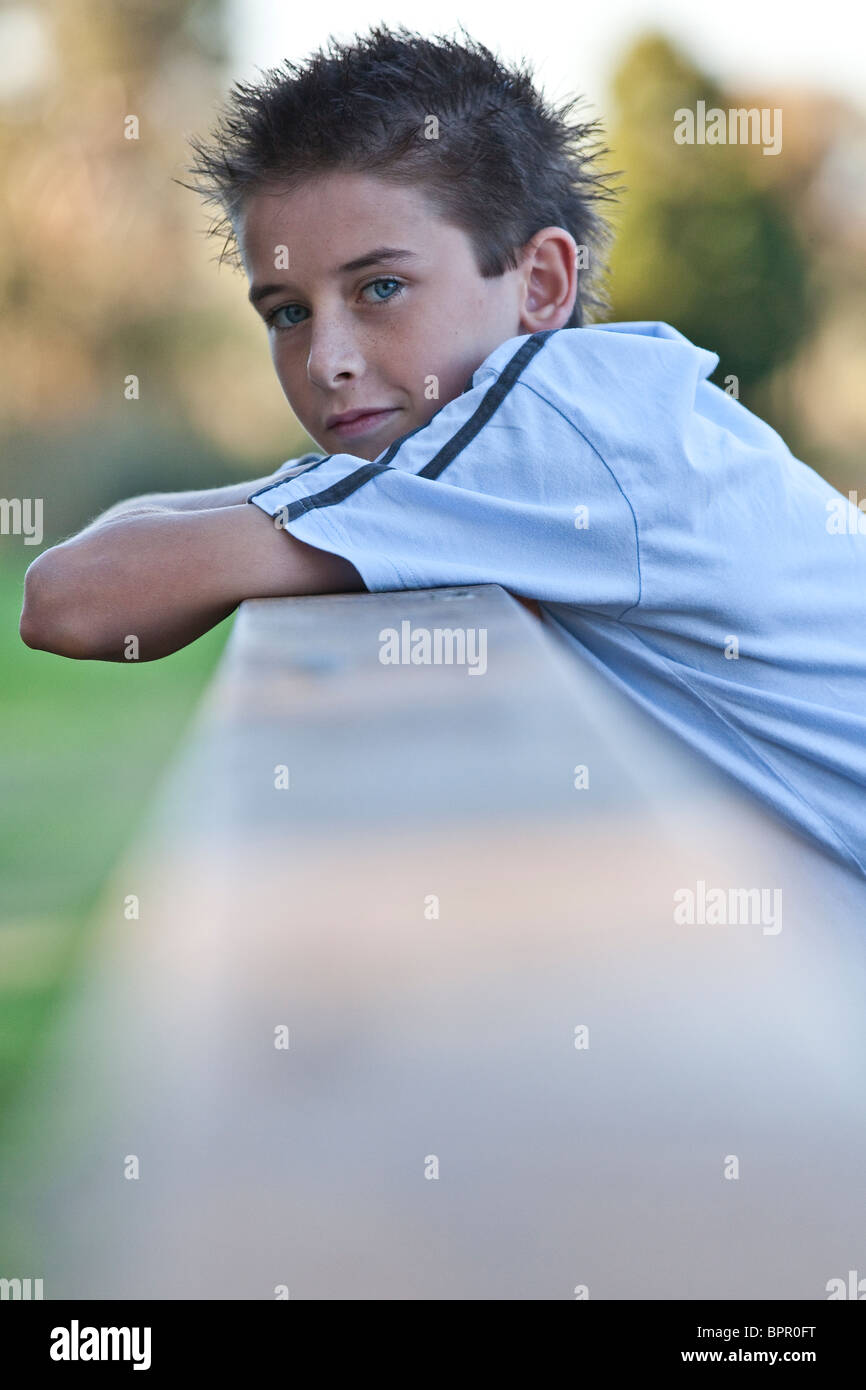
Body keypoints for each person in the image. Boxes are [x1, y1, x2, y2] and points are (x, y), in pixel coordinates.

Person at [18, 25, 866, 876]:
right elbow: (133, 534)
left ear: (539, 285)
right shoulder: (596, 406)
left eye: (380, 287)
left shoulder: (548, 428)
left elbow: (70, 598)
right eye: (286, 311)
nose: (326, 359)